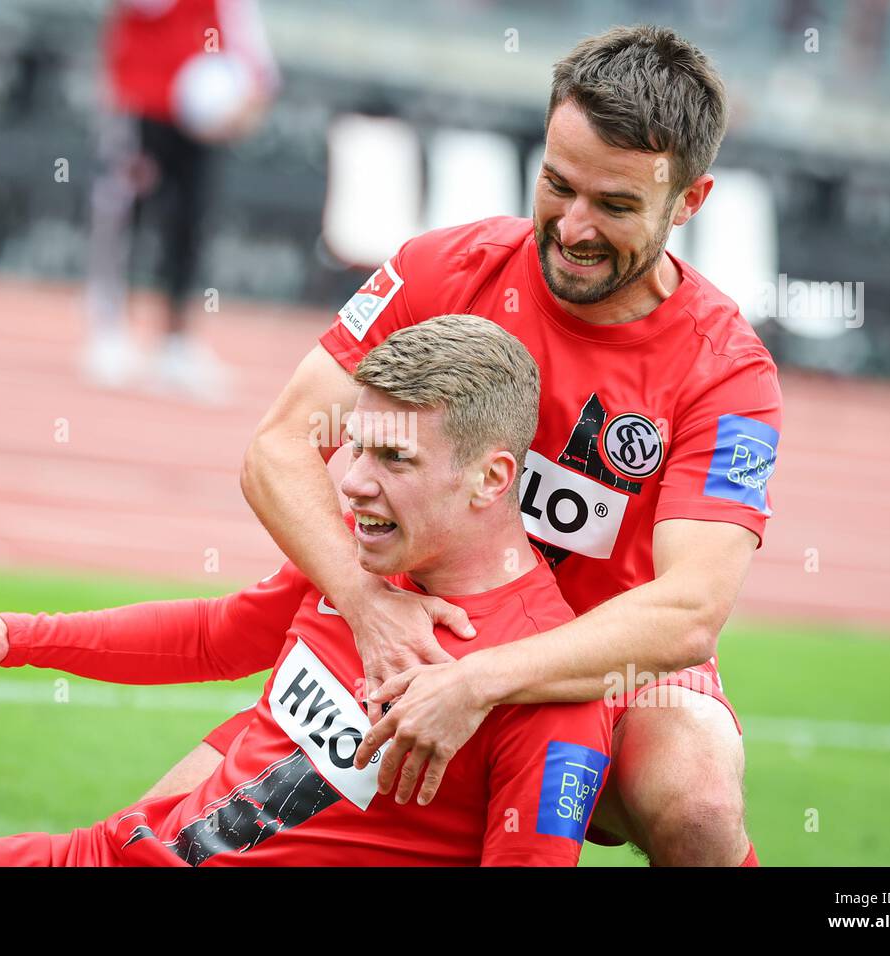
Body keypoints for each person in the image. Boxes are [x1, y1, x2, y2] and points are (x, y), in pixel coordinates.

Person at [152, 25, 783, 867]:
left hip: (604, 659)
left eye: (618, 206)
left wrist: (480, 680)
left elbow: (691, 612)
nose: (575, 227)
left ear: (690, 201)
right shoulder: (444, 271)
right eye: (558, 185)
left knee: (697, 802)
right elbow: (278, 447)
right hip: (415, 624)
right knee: (151, 836)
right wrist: (368, 603)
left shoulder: (727, 372)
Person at [0, 316, 612, 867]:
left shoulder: (540, 694)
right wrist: (12, 630)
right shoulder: (363, 563)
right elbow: (214, 637)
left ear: (493, 479)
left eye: (394, 458)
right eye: (351, 444)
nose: (347, 481)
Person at [83, 0, 278, 398]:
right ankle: (109, 330)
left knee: (190, 225)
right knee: (125, 218)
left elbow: (244, 31)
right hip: (143, 103)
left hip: (203, 120)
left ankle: (176, 341)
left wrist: (255, 90)